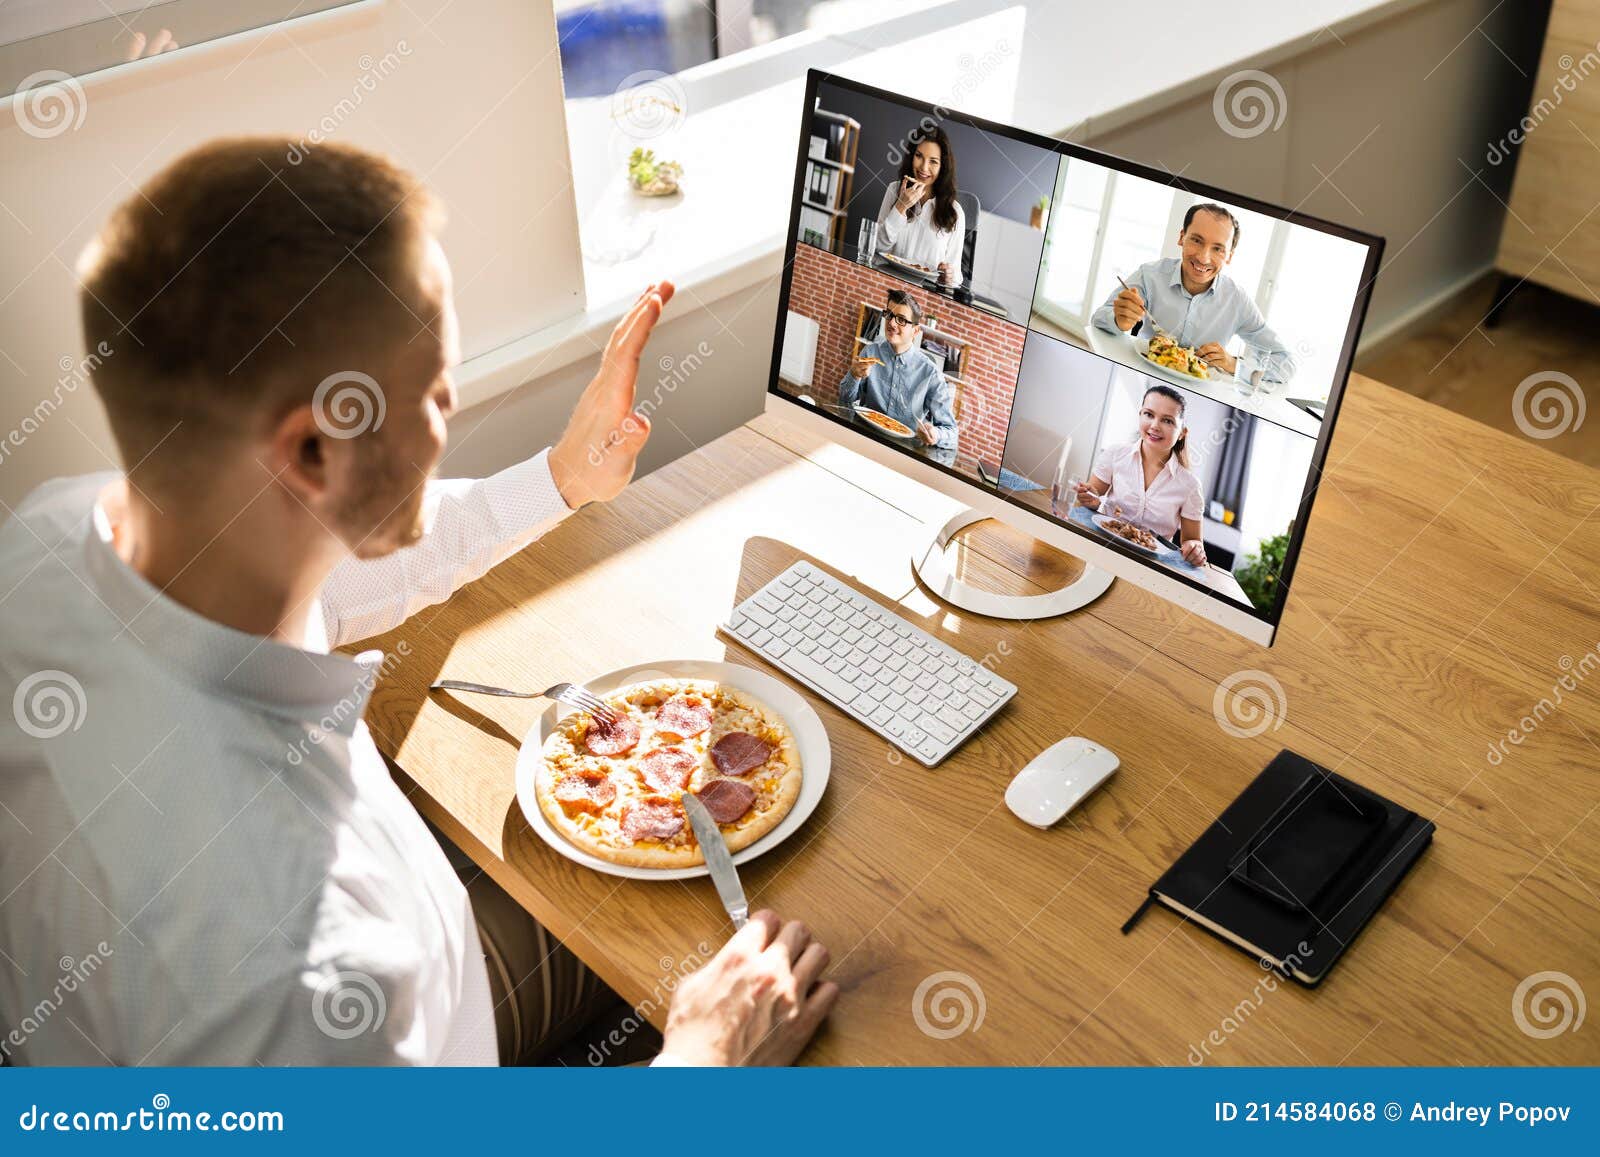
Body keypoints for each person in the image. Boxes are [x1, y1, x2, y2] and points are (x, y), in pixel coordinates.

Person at [0, 137, 837, 1066]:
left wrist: (560, 479)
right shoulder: (295, 982)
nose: (447, 421)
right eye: (436, 393)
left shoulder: (48, 538)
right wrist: (702, 1064)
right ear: (313, 453)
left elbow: (336, 564)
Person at [1090, 202, 1296, 386]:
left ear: (1229, 257)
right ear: (1182, 237)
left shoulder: (1238, 300)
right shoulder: (1149, 275)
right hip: (1141, 379)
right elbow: (1099, 318)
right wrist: (1119, 320)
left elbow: (1286, 364)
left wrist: (1234, 364)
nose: (1203, 258)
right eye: (1197, 240)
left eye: (1218, 249)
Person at [1075, 384, 1208, 567]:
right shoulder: (1115, 454)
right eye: (1149, 414)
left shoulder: (1190, 485)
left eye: (1167, 421)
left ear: (1182, 434)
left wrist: (1195, 548)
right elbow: (1091, 499)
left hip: (1149, 565)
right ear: (1140, 415)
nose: (1155, 426)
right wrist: (1088, 496)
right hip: (1103, 547)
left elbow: (1192, 542)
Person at [839, 289, 956, 449]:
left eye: (901, 319)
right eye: (889, 315)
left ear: (915, 331)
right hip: (864, 437)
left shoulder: (930, 373)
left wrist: (935, 434)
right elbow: (845, 402)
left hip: (905, 449)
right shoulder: (870, 352)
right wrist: (854, 375)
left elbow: (951, 432)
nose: (892, 323)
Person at [875, 125, 965, 288]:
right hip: (887, 284)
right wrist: (900, 207)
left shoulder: (956, 212)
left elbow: (956, 277)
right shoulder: (894, 190)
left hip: (925, 293)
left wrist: (949, 276)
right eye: (919, 156)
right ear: (911, 156)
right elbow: (877, 247)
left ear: (943, 167)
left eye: (933, 161)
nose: (924, 168)